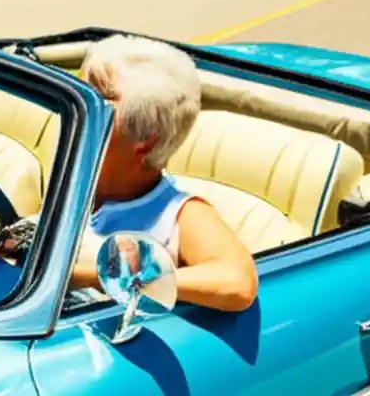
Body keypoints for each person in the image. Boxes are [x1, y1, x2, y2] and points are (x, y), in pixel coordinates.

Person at [66, 34, 259, 312]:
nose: (79, 109)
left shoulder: (177, 213)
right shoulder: (75, 179)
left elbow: (238, 283)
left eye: (99, 101)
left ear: (146, 140)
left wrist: (97, 275)